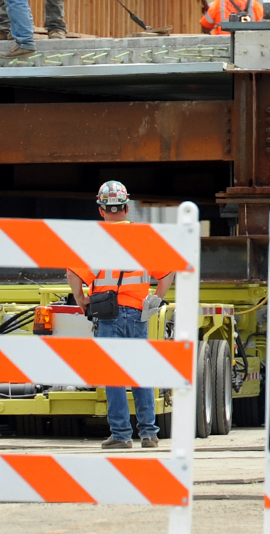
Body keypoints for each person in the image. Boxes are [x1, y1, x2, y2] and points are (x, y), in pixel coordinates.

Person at [65, 181, 175, 450]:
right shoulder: (144, 238)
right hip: (138, 313)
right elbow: (168, 272)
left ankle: (122, 435)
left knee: (113, 375)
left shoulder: (94, 241)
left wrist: (82, 302)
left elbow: (72, 273)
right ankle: (149, 434)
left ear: (101, 211)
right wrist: (155, 300)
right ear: (127, 209)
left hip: (107, 314)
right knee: (140, 374)